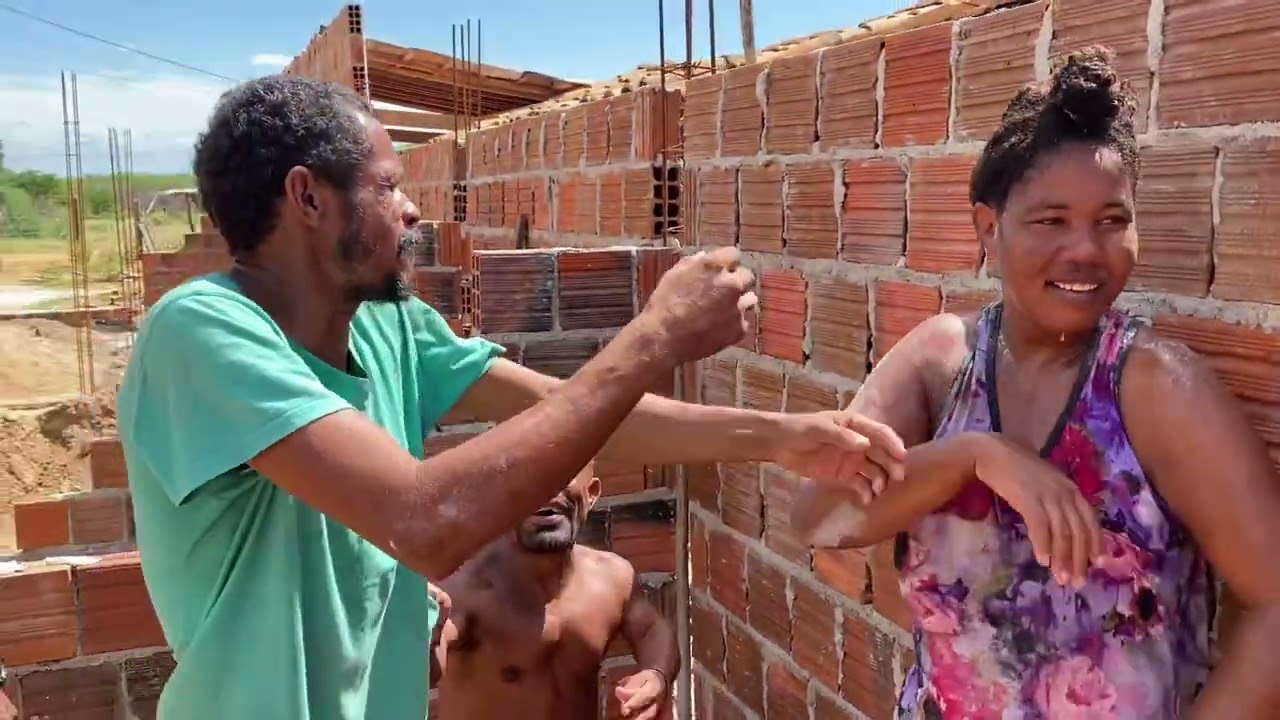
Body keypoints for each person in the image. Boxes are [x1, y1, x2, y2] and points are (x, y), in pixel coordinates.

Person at [116, 75, 907, 720]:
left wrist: (780, 436)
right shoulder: (203, 333)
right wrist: (655, 335)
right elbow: (424, 520)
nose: (413, 210)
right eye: (389, 187)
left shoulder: (392, 327)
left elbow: (575, 410)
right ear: (309, 198)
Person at [792, 46, 1280, 719]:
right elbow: (819, 517)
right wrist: (976, 457)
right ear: (988, 228)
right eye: (1051, 221)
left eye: (1112, 221)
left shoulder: (1153, 389)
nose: (1084, 249)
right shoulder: (943, 362)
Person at [432, 460, 677, 720]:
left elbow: (651, 630)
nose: (545, 490)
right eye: (530, 480)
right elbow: (423, 660)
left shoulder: (611, 579)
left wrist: (656, 674)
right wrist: (422, 641)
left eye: (562, 475)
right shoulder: (466, 589)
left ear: (591, 494)